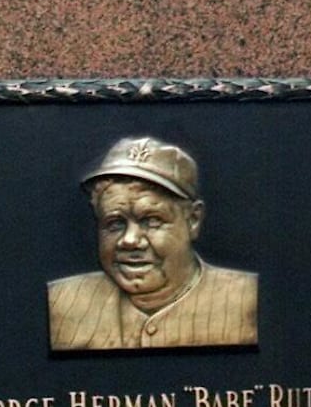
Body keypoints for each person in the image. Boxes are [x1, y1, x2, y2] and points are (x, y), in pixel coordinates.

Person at [47, 136, 258, 350]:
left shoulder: (248, 301)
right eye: (115, 223)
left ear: (193, 220)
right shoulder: (60, 303)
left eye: (152, 220)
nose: (129, 240)